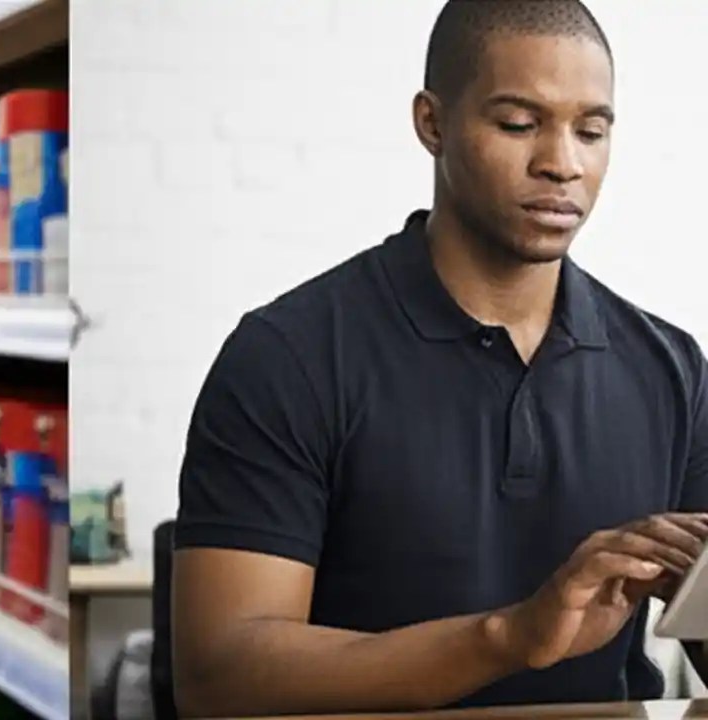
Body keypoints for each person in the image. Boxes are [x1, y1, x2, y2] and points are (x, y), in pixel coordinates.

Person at [173, 1, 708, 716]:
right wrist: (510, 636)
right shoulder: (287, 356)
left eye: (591, 131)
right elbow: (218, 681)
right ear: (433, 123)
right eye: (519, 124)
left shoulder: (672, 367)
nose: (562, 164)